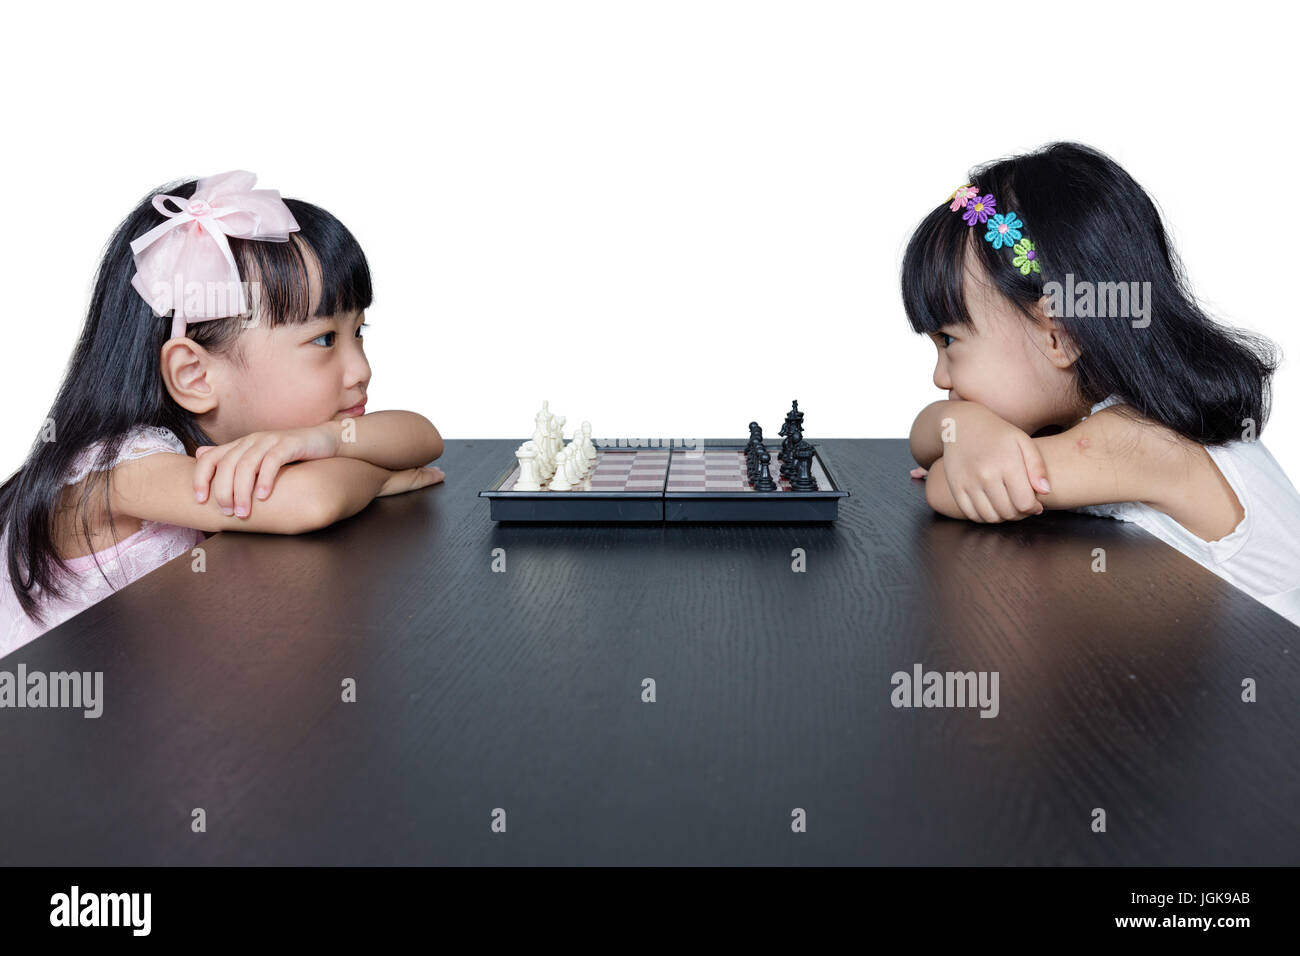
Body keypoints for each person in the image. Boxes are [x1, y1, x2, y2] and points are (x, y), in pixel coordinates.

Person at [0, 170, 445, 653]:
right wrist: (379, 478)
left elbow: (423, 437)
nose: (360, 369)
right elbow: (311, 500)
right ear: (195, 375)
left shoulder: (227, 440)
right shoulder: (117, 470)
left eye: (359, 331)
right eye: (324, 339)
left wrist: (327, 440)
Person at [902, 142, 1300, 626]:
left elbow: (948, 484)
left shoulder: (1141, 440)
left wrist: (964, 433)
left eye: (949, 341)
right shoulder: (1115, 416)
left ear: (1059, 335)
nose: (940, 376)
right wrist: (961, 426)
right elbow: (925, 443)